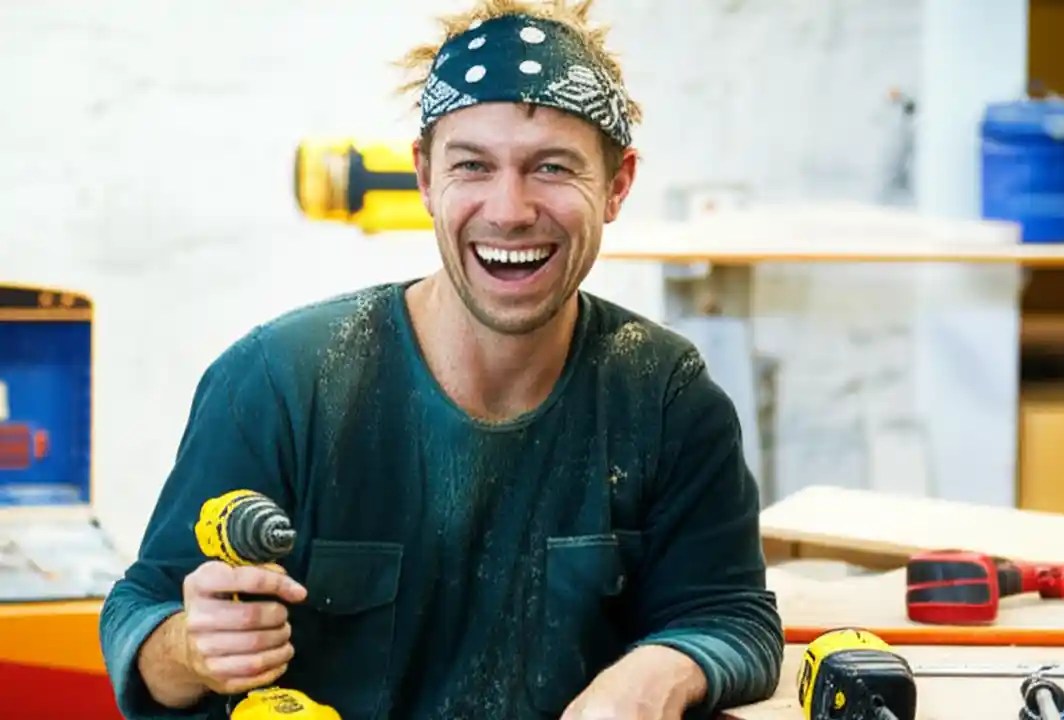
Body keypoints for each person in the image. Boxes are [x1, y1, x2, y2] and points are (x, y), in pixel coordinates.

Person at [97, 1, 785, 718]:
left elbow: (732, 615)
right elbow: (141, 612)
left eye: (552, 167)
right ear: (425, 177)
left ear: (617, 185)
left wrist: (658, 671)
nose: (509, 209)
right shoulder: (280, 382)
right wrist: (190, 648)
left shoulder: (664, 396)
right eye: (472, 166)